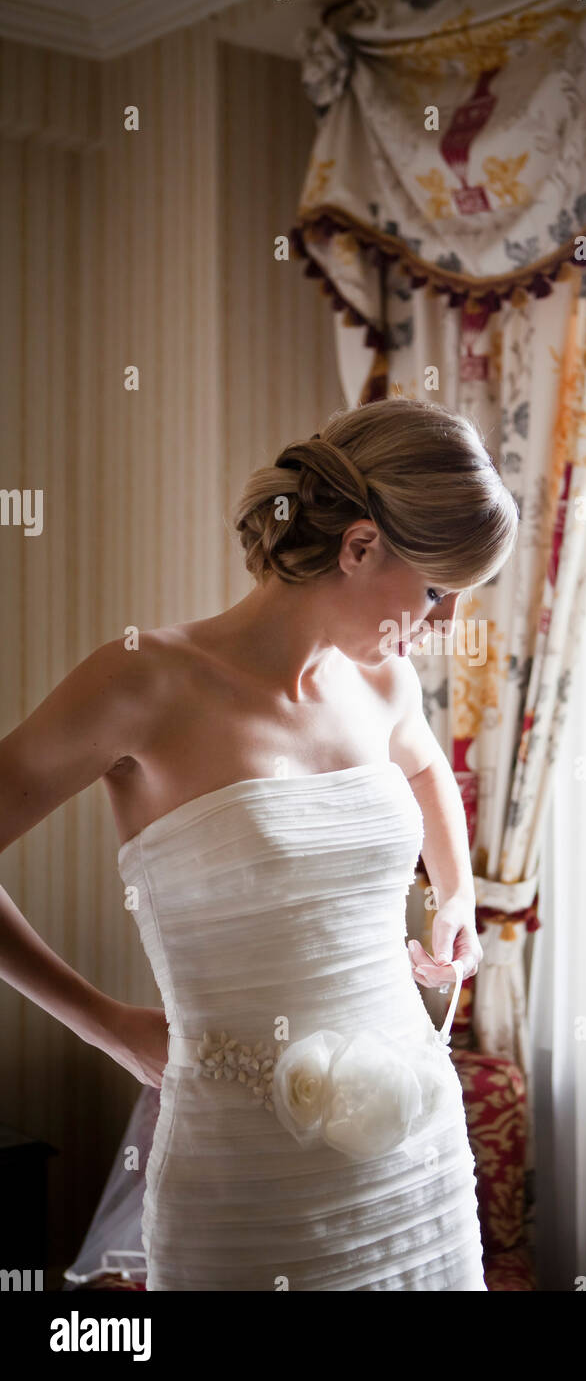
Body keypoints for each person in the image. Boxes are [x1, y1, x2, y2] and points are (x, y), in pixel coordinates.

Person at [0, 395, 520, 1290]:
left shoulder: (385, 683)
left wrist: (458, 897)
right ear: (359, 547)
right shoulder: (144, 680)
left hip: (415, 1151)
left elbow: (431, 773)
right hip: (248, 1170)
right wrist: (108, 1026)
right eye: (435, 591)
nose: (441, 624)